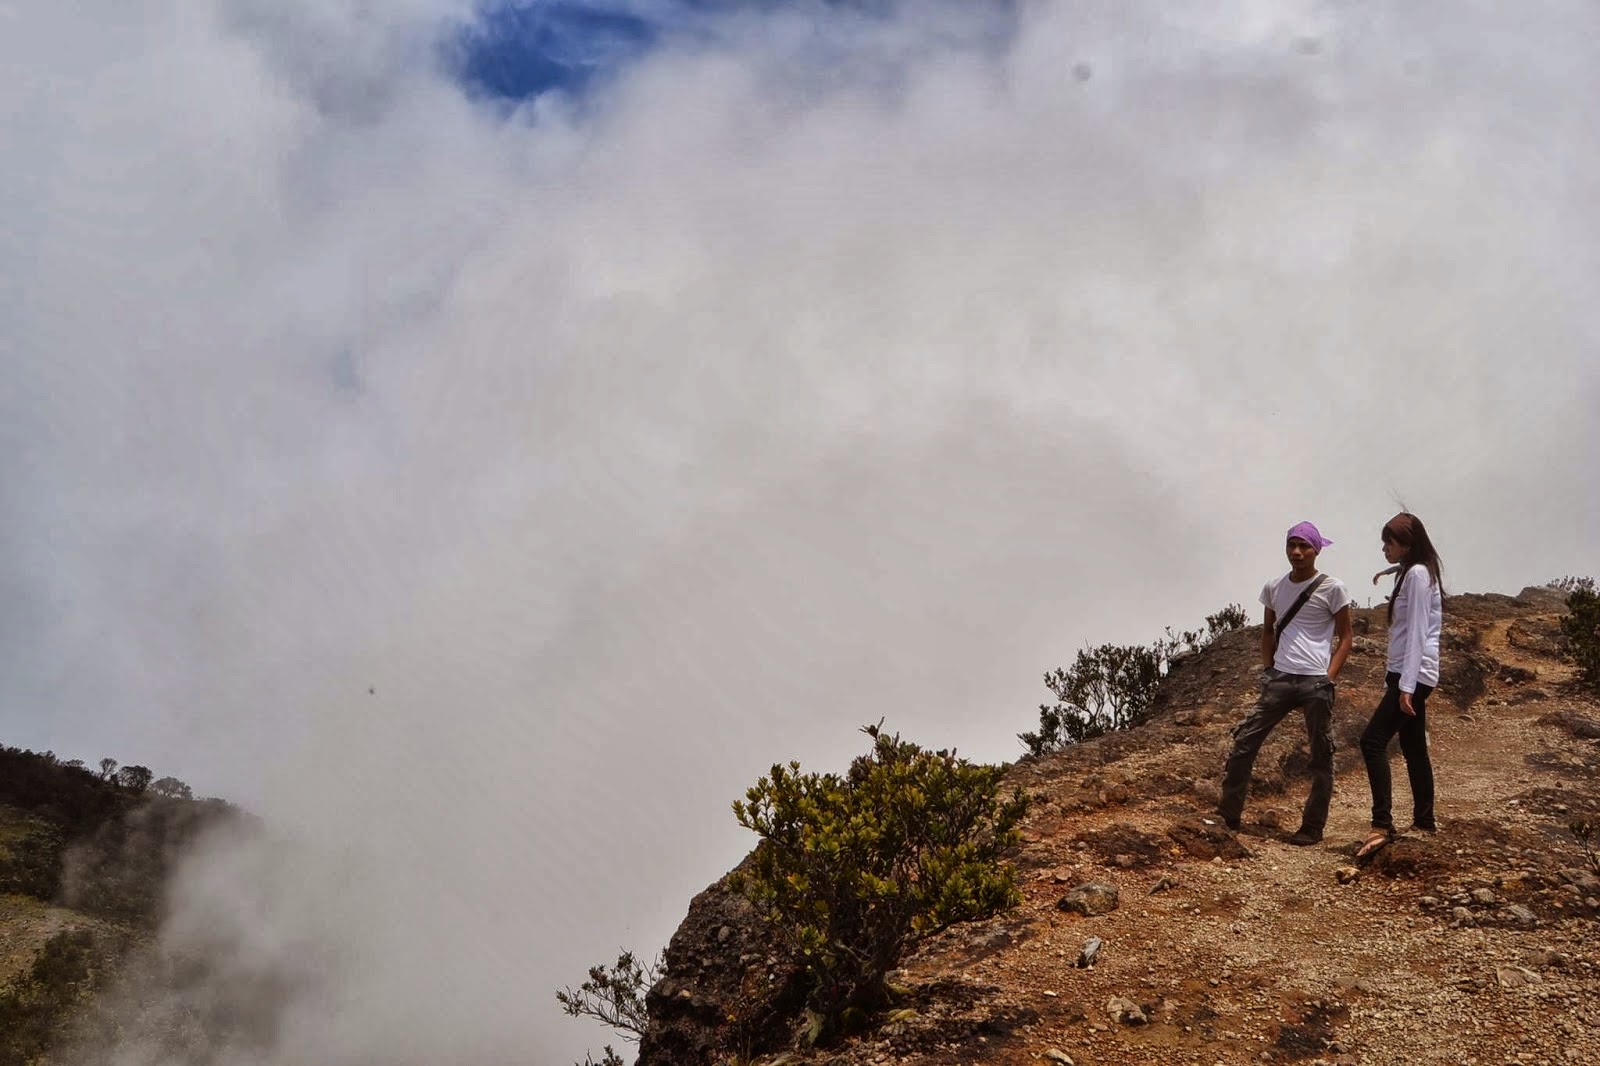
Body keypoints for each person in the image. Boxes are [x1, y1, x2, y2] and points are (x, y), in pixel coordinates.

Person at [1220, 521, 1354, 845]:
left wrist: (1328, 678)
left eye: (1304, 546)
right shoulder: (1274, 587)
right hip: (1279, 678)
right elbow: (1267, 631)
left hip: (1314, 682)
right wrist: (1268, 669)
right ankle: (1228, 817)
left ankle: (1311, 828)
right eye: (1292, 545)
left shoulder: (1333, 588)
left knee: (1321, 755)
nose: (1297, 552)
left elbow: (1347, 636)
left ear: (1316, 550)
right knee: (1244, 744)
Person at [1356, 513, 1444, 858]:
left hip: (1414, 674)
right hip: (1410, 674)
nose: (1384, 548)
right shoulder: (1415, 571)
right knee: (1413, 747)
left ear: (1408, 545)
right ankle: (1424, 821)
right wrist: (1391, 571)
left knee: (1372, 741)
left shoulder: (1419, 575)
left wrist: (1406, 686)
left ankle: (1381, 825)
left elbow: (1419, 632)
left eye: (1389, 543)